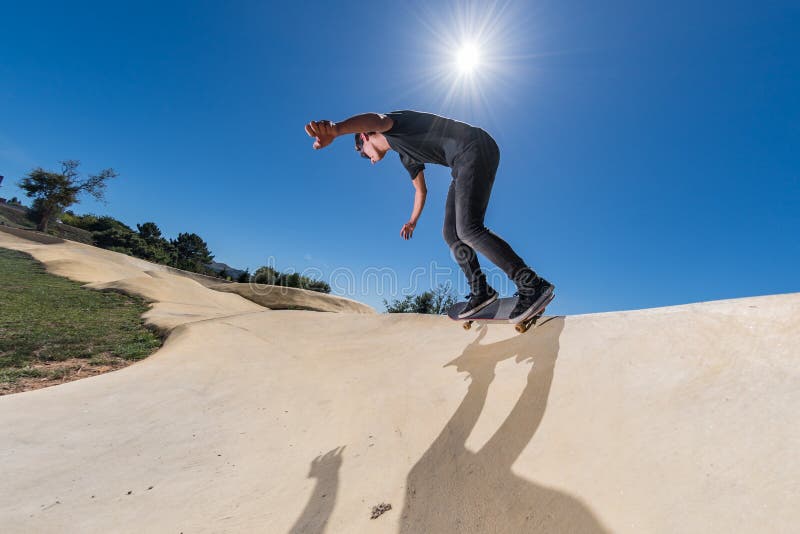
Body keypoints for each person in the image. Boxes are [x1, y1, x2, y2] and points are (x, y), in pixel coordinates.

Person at [304, 110, 553, 320]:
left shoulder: (391, 127)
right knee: (451, 234)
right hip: (461, 164)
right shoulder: (406, 157)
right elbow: (420, 191)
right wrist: (412, 221)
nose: (368, 159)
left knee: (469, 228)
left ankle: (531, 284)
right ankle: (481, 291)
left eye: (363, 153)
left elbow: (376, 119)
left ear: (363, 137)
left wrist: (336, 129)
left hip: (474, 148)